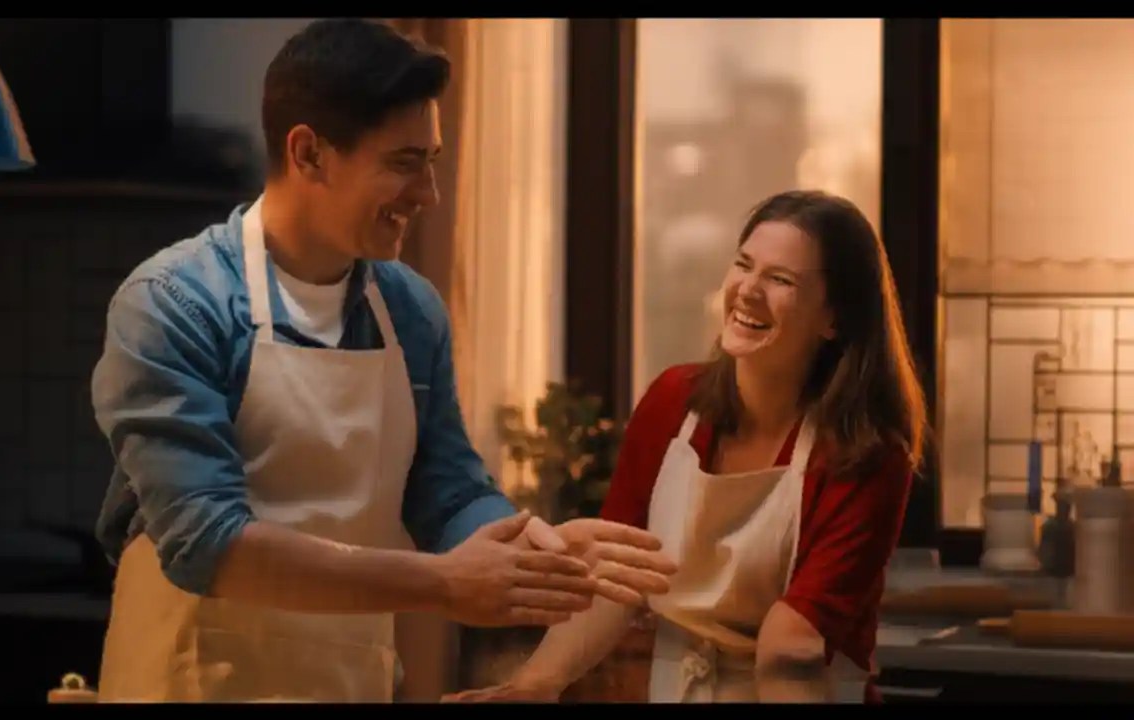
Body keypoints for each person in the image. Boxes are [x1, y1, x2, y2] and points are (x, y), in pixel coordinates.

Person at [88, 18, 676, 703]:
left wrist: (539, 552)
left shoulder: (408, 309)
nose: (428, 193)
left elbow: (446, 492)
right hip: (187, 685)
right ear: (309, 153)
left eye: (432, 161)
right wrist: (445, 584)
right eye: (404, 162)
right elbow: (207, 543)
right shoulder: (176, 304)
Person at [445, 190, 927, 704]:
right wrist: (534, 685)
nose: (748, 291)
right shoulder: (673, 402)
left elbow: (792, 644)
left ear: (835, 319)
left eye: (781, 280)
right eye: (744, 265)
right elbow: (619, 575)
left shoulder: (865, 454)